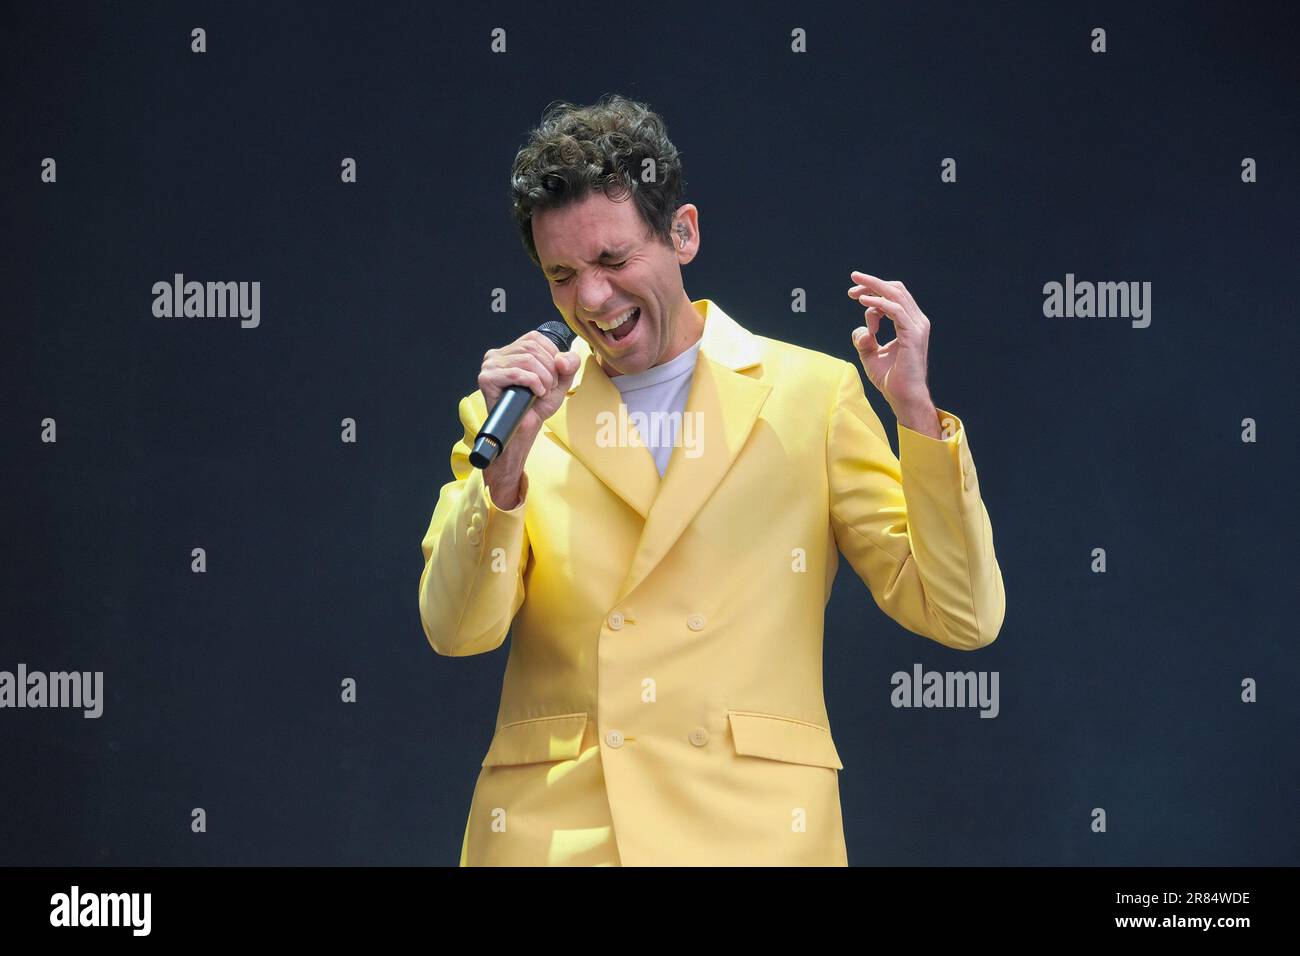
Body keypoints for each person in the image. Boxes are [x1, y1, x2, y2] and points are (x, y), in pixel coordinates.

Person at [418, 94, 1006, 866]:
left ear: (683, 233)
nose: (591, 298)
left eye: (613, 260)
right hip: (558, 840)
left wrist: (919, 421)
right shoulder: (513, 413)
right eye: (562, 274)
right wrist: (503, 480)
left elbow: (961, 614)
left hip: (755, 838)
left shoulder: (811, 396)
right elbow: (457, 631)